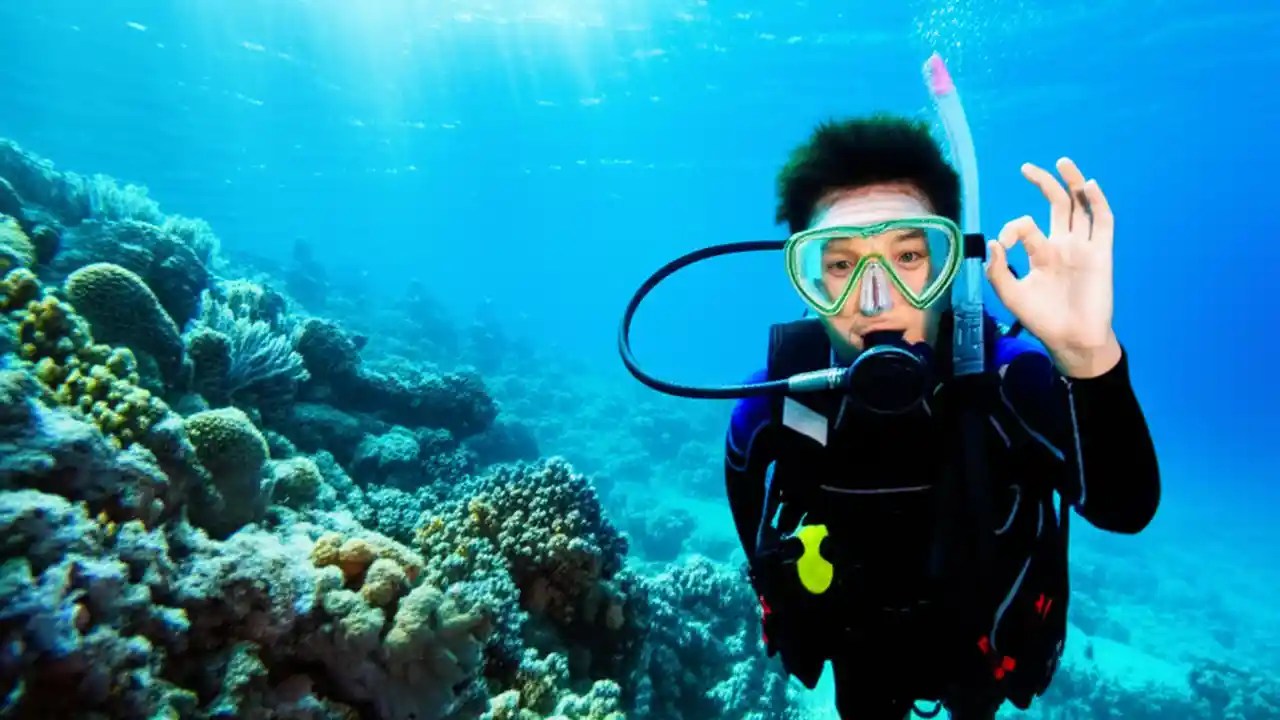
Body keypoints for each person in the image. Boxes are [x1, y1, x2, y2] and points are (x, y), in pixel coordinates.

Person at [616, 53, 1160, 719]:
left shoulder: (1009, 379)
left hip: (984, 657)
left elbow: (1124, 508)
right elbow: (753, 533)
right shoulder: (775, 405)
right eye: (841, 264)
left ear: (949, 265)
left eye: (909, 257)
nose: (879, 301)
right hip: (860, 658)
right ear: (807, 278)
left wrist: (1091, 359)